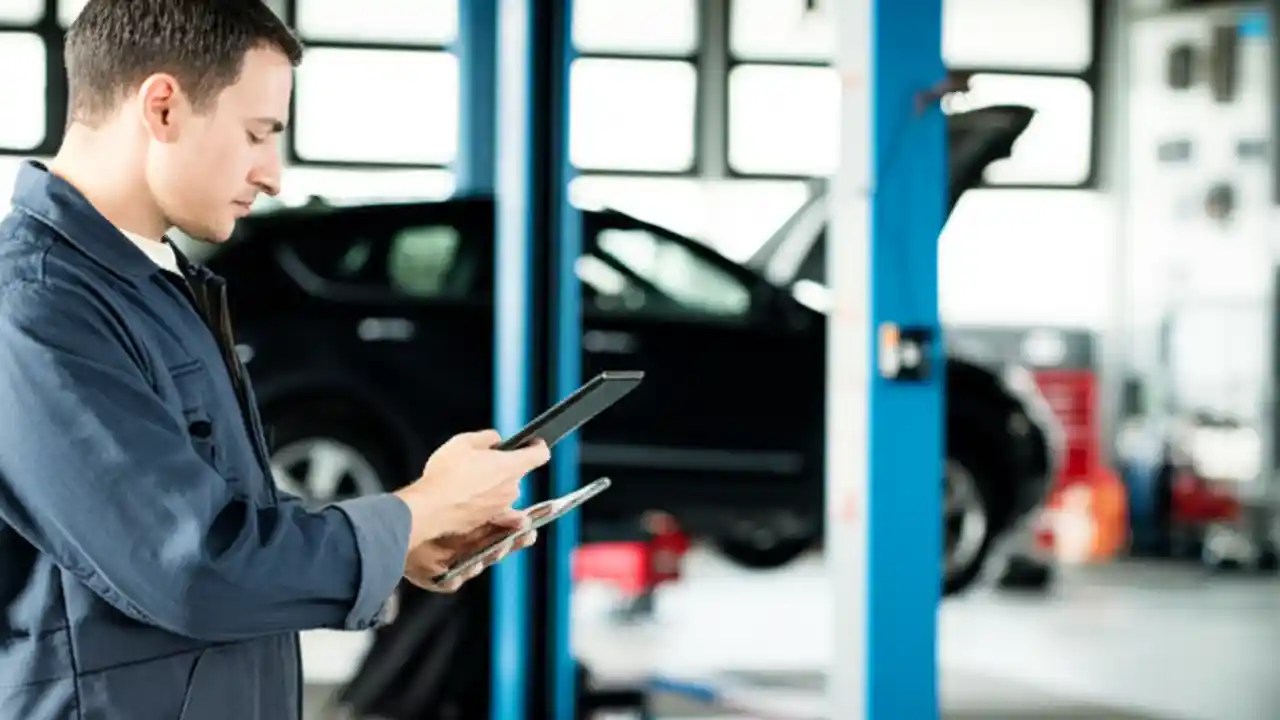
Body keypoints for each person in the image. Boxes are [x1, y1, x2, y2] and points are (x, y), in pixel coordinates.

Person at [0, 1, 549, 718]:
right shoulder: (39, 305)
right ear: (163, 108)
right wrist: (408, 517)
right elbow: (193, 568)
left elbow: (225, 514)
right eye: (257, 134)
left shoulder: (153, 286)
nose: (273, 175)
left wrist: (399, 545)